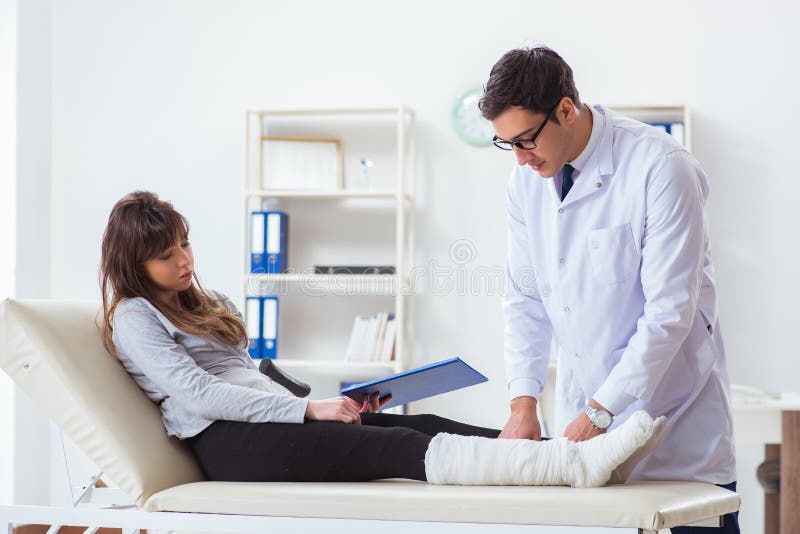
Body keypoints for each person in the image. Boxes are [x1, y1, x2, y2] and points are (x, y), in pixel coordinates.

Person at [99, 190, 660, 488]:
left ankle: (566, 453)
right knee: (397, 450)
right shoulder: (134, 317)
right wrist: (307, 412)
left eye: (185, 245)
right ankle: (572, 470)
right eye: (167, 255)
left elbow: (252, 372)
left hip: (267, 420)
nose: (185, 261)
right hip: (228, 442)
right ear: (134, 263)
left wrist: (323, 402)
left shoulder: (197, 301)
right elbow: (198, 394)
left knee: (418, 423)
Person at [480, 46, 738, 533]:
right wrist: (524, 402)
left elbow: (669, 313)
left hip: (674, 431)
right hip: (586, 444)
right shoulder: (526, 182)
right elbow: (524, 297)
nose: (520, 158)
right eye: (507, 144)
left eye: (527, 140)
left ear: (565, 109)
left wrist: (600, 412)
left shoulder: (661, 168)